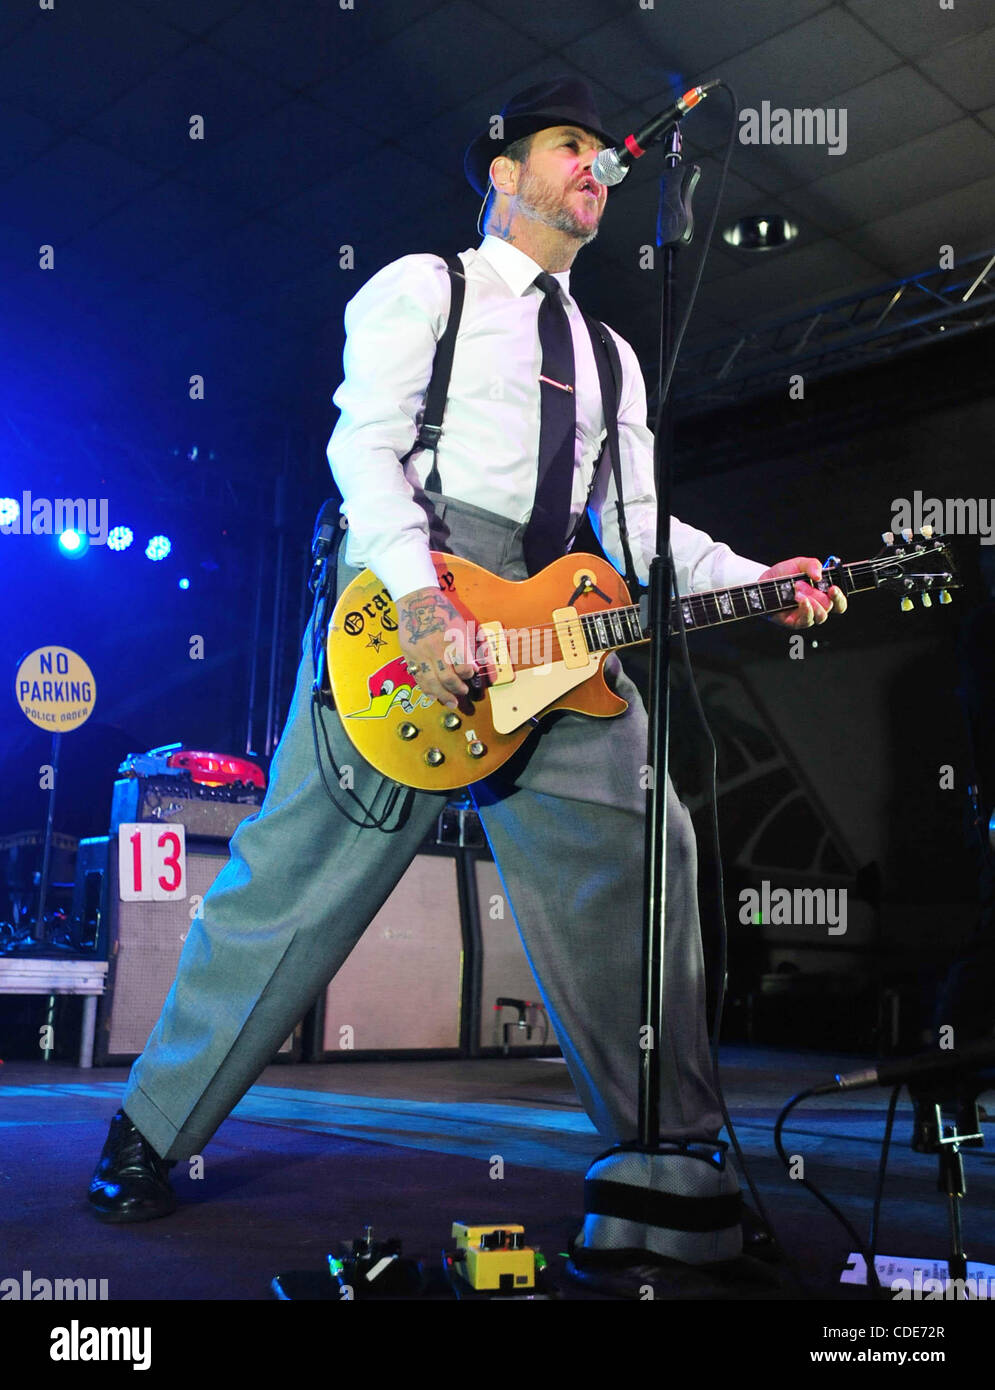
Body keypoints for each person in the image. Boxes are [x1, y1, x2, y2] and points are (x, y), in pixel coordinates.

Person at [88, 78, 845, 1287]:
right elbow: (361, 447)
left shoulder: (609, 356)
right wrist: (423, 595)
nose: (594, 166)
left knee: (649, 849)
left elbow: (639, 523)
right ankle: (150, 1128)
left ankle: (674, 1158)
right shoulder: (422, 287)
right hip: (417, 593)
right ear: (503, 173)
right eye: (567, 147)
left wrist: (765, 572)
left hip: (555, 616)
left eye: (603, 154)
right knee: (296, 881)